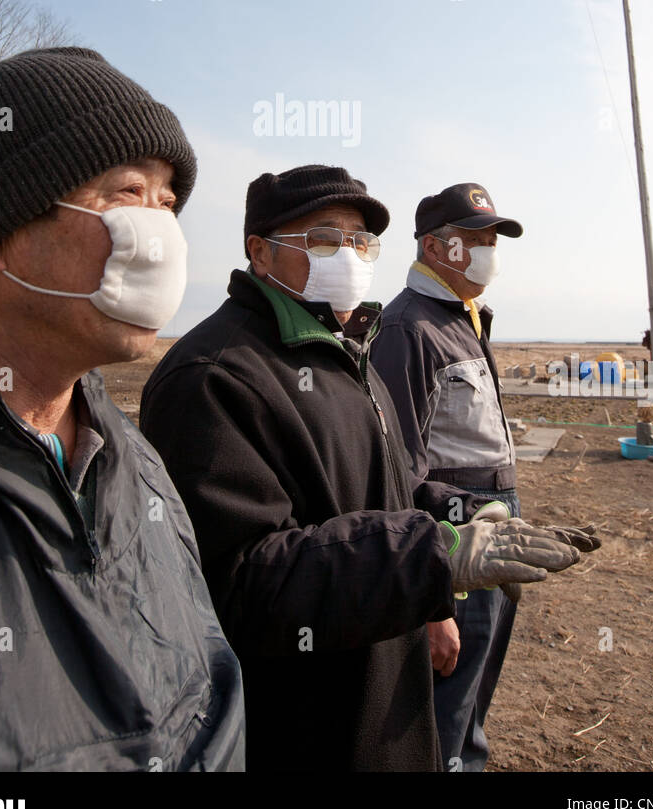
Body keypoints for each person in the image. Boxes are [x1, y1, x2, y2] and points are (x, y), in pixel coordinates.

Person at [139, 164, 590, 773]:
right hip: (309, 724)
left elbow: (389, 487)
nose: (347, 256)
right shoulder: (215, 376)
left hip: (383, 681)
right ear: (259, 250)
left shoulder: (343, 351)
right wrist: (435, 556)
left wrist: (462, 520)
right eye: (323, 240)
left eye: (360, 241)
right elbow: (243, 581)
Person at [0, 46, 244, 771]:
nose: (161, 229)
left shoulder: (131, 461)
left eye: (168, 201)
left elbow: (208, 691)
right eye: (126, 191)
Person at [371, 181, 597, 771]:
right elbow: (399, 473)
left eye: (492, 238)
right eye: (474, 238)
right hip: (454, 540)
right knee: (444, 706)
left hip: (493, 525)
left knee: (471, 702)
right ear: (434, 246)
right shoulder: (408, 330)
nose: (488, 250)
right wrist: (431, 601)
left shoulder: (465, 319)